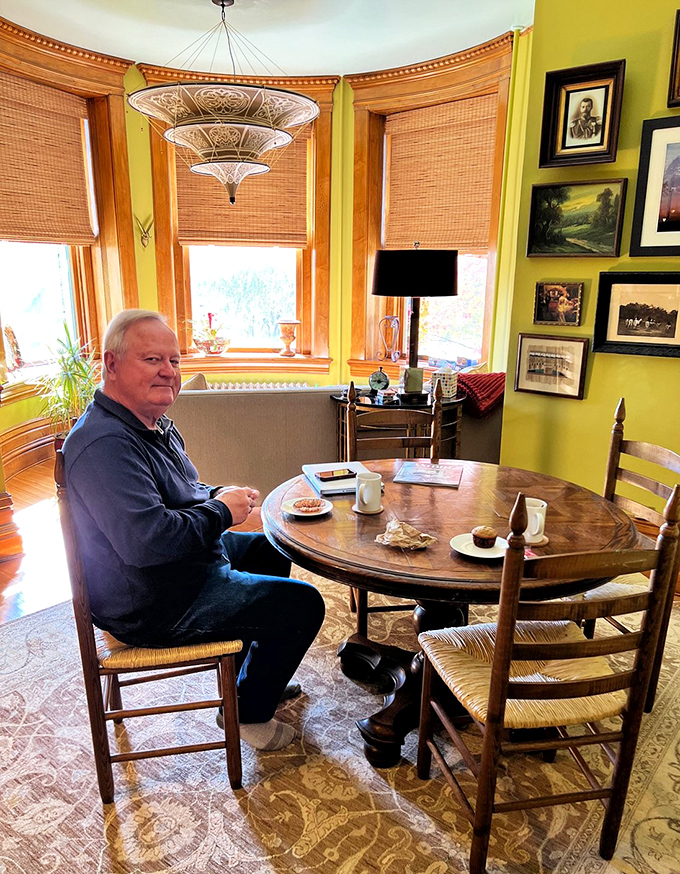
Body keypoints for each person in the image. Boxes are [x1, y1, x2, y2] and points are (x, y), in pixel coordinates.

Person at [63, 309, 325, 751]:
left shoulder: (152, 423)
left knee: (275, 548)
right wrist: (221, 512)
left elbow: (183, 492)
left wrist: (220, 493)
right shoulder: (105, 445)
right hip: (152, 602)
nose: (169, 372)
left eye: (175, 360)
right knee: (302, 605)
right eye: (152, 360)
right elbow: (148, 541)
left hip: (179, 567)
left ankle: (247, 686)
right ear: (111, 364)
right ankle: (248, 714)